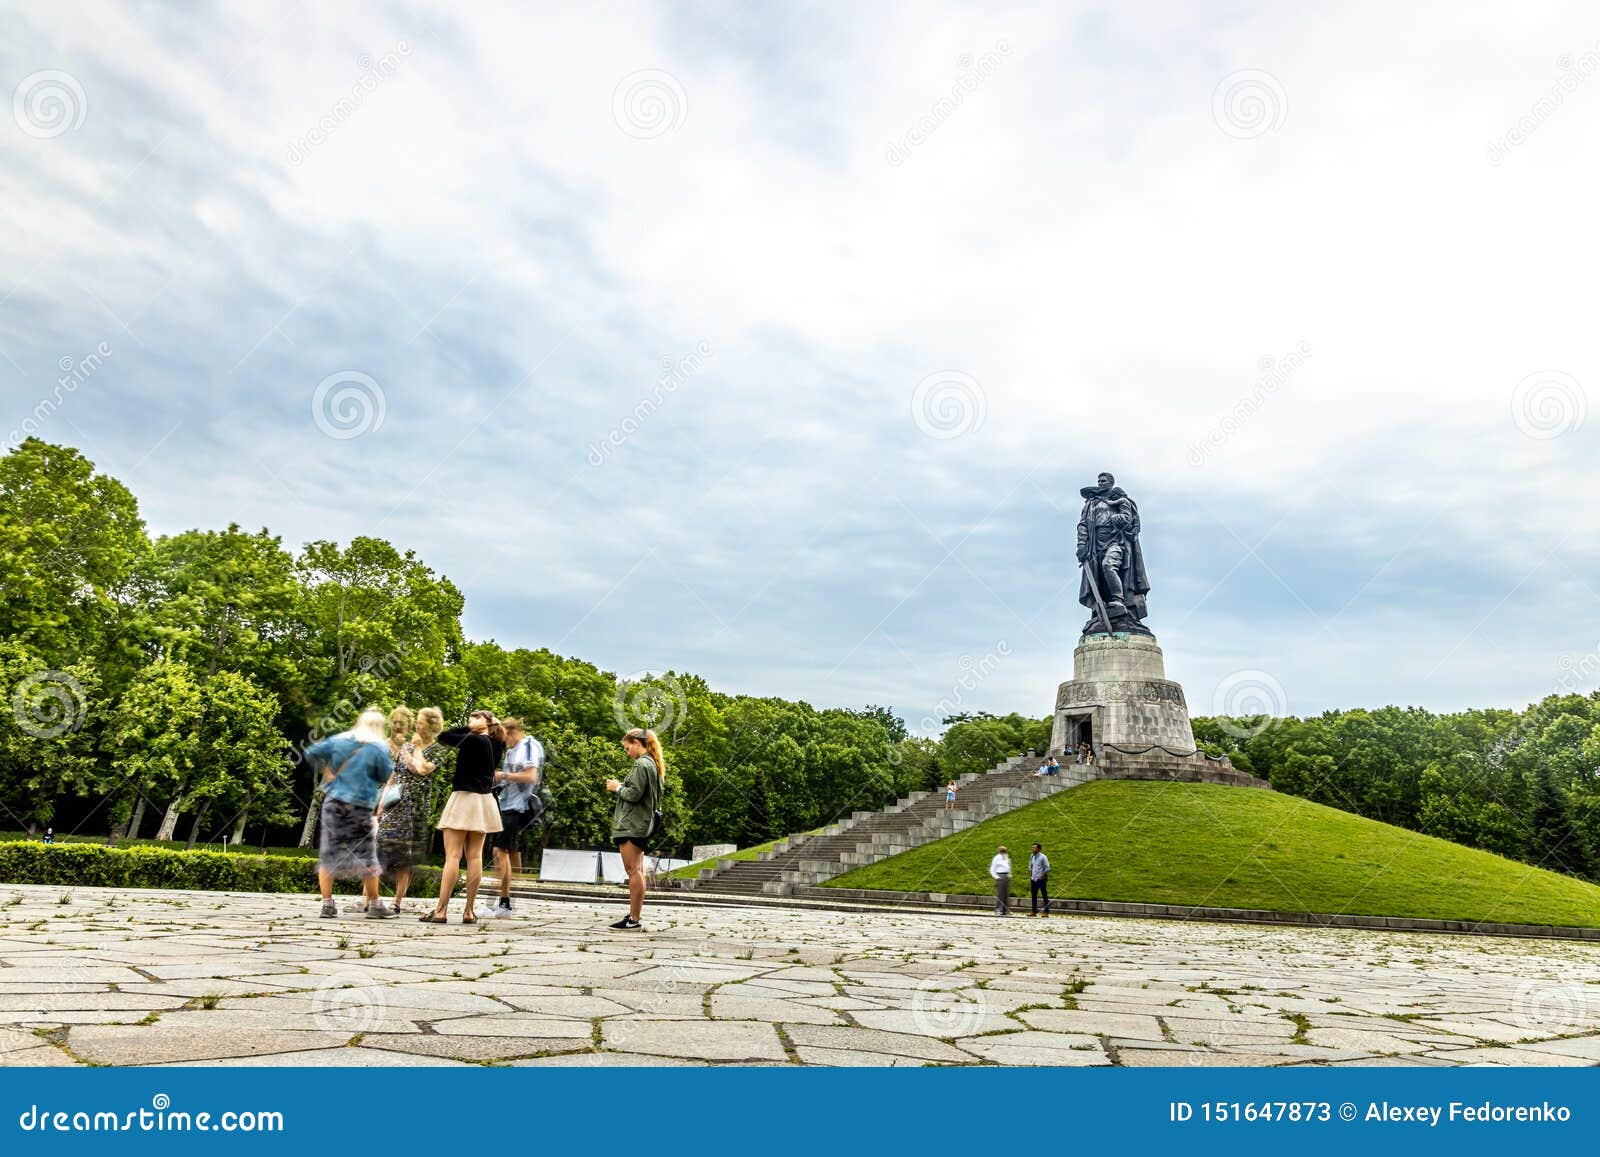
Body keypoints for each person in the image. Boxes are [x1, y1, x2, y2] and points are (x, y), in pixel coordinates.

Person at [305, 709, 397, 919]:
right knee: (366, 855)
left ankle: (327, 905)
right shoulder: (379, 747)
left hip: (333, 803)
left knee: (328, 854)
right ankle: (375, 905)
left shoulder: (340, 739)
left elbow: (311, 752)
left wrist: (326, 771)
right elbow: (385, 774)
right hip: (360, 805)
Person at [421, 710, 506, 924]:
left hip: (463, 798)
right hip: (483, 801)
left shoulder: (473, 740)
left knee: (453, 857)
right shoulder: (496, 744)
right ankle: (469, 911)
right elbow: (499, 737)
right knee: (475, 857)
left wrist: (469, 728)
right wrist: (488, 724)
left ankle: (441, 910)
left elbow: (444, 736)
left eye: (474, 718)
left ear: (486, 722)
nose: (469, 722)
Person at [376, 706, 444, 914]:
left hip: (415, 810)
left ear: (431, 727)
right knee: (380, 851)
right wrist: (381, 804)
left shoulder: (437, 750)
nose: (416, 725)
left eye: (421, 722)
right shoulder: (406, 746)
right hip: (394, 807)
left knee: (405, 859)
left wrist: (413, 749)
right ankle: (371, 899)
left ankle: (397, 902)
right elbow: (393, 777)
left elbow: (420, 769)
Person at [605, 727, 664, 931]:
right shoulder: (653, 764)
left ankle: (634, 918)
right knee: (637, 870)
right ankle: (633, 916)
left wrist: (617, 788)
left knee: (633, 871)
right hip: (641, 823)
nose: (627, 752)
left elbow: (634, 794)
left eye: (627, 747)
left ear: (637, 744)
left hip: (632, 825)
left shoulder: (641, 764)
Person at [488, 718, 544, 917]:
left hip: (517, 807)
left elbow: (531, 777)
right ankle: (503, 899)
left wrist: (503, 775)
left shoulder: (528, 746)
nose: (504, 743)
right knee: (507, 851)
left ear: (511, 732)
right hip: (507, 804)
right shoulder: (513, 750)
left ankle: (505, 903)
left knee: (498, 850)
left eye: (505, 738)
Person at [1028, 842, 1051, 917]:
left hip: (1041, 879)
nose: (1033, 849)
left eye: (1034, 847)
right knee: (1034, 895)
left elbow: (1047, 867)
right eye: (1032, 847)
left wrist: (1042, 876)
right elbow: (1030, 866)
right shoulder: (1032, 856)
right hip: (1033, 879)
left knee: (1044, 895)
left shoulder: (1043, 857)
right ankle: (1034, 911)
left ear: (1038, 849)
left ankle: (1046, 912)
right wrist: (1030, 875)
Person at [989, 845, 1012, 915]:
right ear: (1000, 851)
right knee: (1000, 894)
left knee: (1006, 894)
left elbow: (1009, 867)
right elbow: (992, 869)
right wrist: (997, 877)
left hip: (1006, 876)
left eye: (1004, 851)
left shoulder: (1006, 857)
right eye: (1002, 851)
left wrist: (1009, 875)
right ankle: (998, 910)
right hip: (1000, 875)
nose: (1004, 852)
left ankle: (1006, 910)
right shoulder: (996, 858)